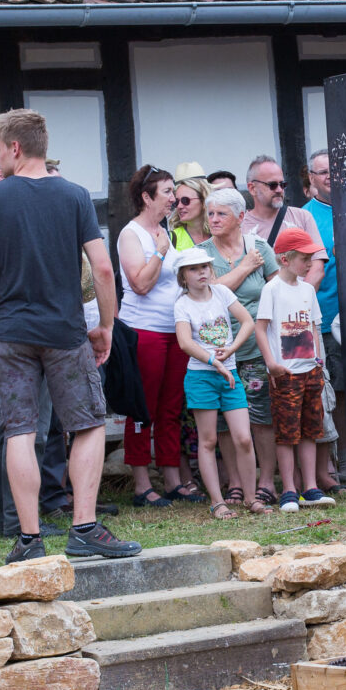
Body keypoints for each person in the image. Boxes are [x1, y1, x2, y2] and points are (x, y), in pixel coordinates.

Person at [0, 108, 140, 563]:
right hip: (65, 332)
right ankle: (83, 528)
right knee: (85, 425)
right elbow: (103, 268)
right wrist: (106, 325)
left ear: (16, 147)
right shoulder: (75, 195)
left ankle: (29, 539)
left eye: (1, 149)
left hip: (10, 330)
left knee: (20, 430)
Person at [116, 165, 205, 507]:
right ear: (146, 196)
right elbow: (139, 283)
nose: (173, 198)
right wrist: (159, 252)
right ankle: (141, 484)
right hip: (144, 332)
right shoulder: (131, 234)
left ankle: (171, 479)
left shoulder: (166, 231)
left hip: (174, 332)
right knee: (143, 409)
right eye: (167, 191)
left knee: (170, 409)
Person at [201, 188, 281, 511]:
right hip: (217, 353)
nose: (214, 220)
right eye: (210, 214)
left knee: (261, 417)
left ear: (241, 217)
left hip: (255, 347)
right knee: (223, 422)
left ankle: (265, 481)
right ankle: (235, 482)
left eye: (221, 214)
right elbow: (209, 292)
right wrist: (246, 267)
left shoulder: (260, 248)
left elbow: (277, 289)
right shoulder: (202, 255)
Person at [172, 247, 260, 518]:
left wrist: (231, 349)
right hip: (201, 377)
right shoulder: (182, 304)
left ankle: (251, 498)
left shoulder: (222, 293)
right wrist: (214, 361)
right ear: (183, 276)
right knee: (208, 441)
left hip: (229, 375)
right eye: (194, 269)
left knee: (244, 438)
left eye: (205, 267)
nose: (201, 273)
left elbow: (247, 321)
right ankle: (218, 502)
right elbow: (185, 342)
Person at [255, 227, 335, 512]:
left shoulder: (307, 290)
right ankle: (289, 489)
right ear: (285, 259)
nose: (310, 263)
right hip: (285, 373)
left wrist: (319, 363)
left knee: (311, 429)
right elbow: (261, 328)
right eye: (304, 258)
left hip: (310, 371)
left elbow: (313, 326)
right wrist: (272, 364)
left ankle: (310, 487)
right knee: (287, 431)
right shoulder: (272, 289)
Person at [302, 149, 345, 488]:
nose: (331, 175)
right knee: (336, 395)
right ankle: (338, 467)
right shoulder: (304, 218)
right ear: (312, 178)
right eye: (323, 171)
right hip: (326, 318)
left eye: (336, 169)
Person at [243, 157, 329, 285]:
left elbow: (317, 267)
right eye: (272, 185)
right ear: (252, 188)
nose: (279, 190)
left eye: (282, 184)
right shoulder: (240, 226)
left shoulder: (303, 216)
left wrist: (298, 299)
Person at [171, 177, 213, 250]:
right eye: (177, 201)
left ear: (203, 201)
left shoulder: (219, 235)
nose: (179, 206)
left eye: (185, 200)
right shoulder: (171, 238)